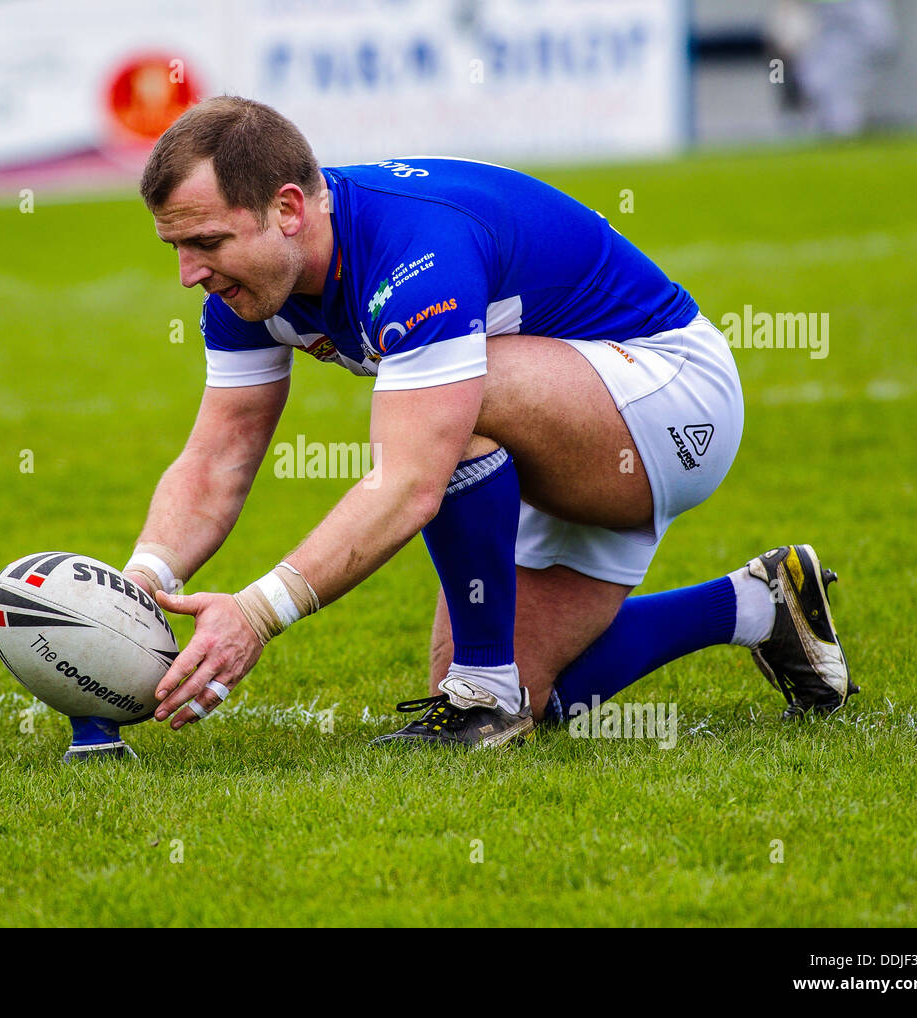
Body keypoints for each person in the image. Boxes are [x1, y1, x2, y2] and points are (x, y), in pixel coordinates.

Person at [64, 95, 855, 761]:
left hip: (671, 398)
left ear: (289, 210)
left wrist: (258, 612)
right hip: (560, 415)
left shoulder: (414, 255)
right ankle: (758, 606)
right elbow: (218, 458)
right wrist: (138, 585)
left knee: (451, 410)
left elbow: (410, 483)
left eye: (206, 243)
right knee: (531, 685)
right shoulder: (245, 291)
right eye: (176, 248)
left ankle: (485, 700)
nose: (189, 274)